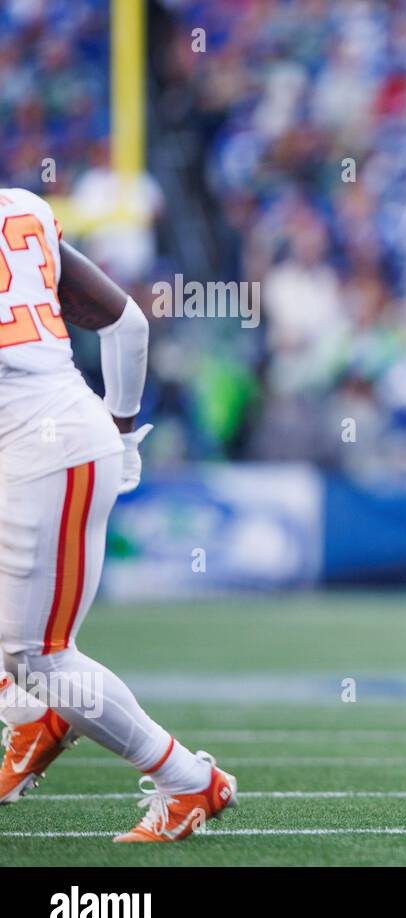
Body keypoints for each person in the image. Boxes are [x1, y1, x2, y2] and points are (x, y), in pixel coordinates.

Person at [0, 187, 236, 841]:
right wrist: (124, 432)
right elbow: (126, 323)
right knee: (24, 654)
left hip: (44, 450)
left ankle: (190, 783)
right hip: (56, 435)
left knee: (39, 654)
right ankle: (33, 716)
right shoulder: (20, 208)